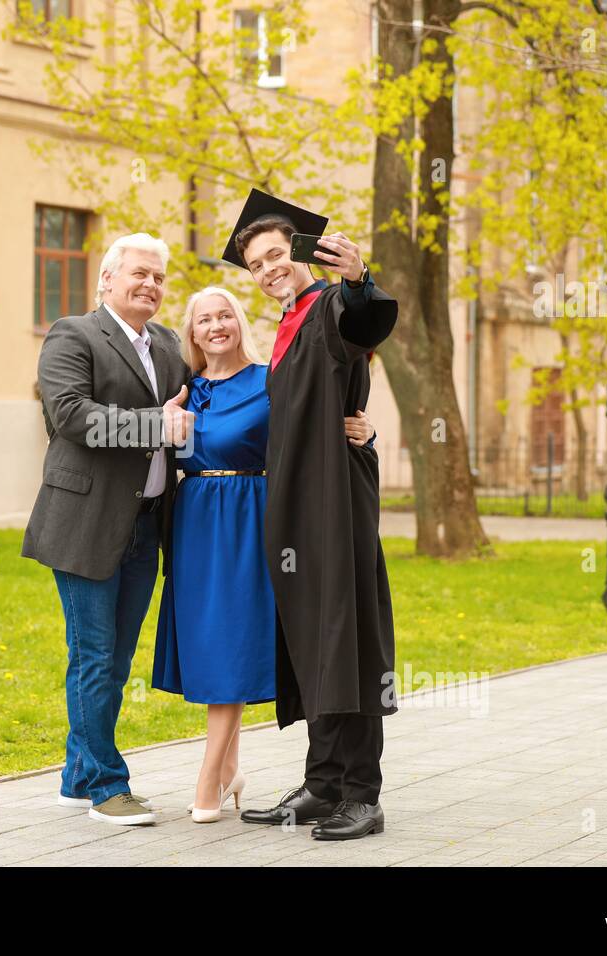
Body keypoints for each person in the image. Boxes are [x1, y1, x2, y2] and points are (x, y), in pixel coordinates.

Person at [151, 285, 376, 823]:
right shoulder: (184, 393)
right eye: (204, 319)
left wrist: (365, 433)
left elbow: (318, 425)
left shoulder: (269, 383)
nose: (215, 325)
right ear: (193, 332)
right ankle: (231, 772)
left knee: (233, 643)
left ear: (239, 322)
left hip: (253, 518)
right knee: (209, 645)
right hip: (196, 523)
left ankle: (210, 777)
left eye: (225, 314)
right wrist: (163, 427)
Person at [225, 190, 400, 841]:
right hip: (296, 503)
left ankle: (362, 792)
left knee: (345, 636)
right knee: (311, 638)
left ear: (299, 255)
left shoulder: (329, 306)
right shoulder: (287, 324)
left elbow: (367, 322)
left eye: (276, 255)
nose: (268, 268)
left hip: (333, 498)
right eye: (256, 264)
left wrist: (358, 278)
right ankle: (323, 781)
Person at [22, 233, 195, 826]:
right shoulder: (73, 334)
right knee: (93, 657)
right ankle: (105, 785)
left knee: (116, 660)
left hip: (144, 529)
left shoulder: (169, 345)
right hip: (85, 524)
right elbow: (69, 416)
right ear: (106, 280)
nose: (150, 285)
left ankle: (75, 775)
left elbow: (203, 405)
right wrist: (156, 424)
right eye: (138, 274)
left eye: (158, 278)